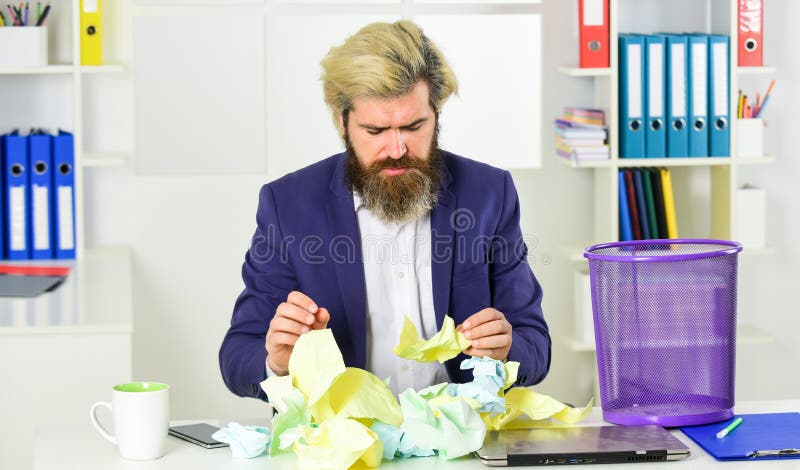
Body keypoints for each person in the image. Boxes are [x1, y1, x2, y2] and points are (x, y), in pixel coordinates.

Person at [220, 20, 550, 400]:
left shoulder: (490, 193)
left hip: (462, 444)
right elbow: (236, 356)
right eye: (375, 131)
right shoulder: (288, 205)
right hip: (344, 448)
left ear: (436, 115)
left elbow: (535, 345)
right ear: (343, 123)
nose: (396, 149)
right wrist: (275, 362)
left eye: (413, 126)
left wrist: (507, 350)